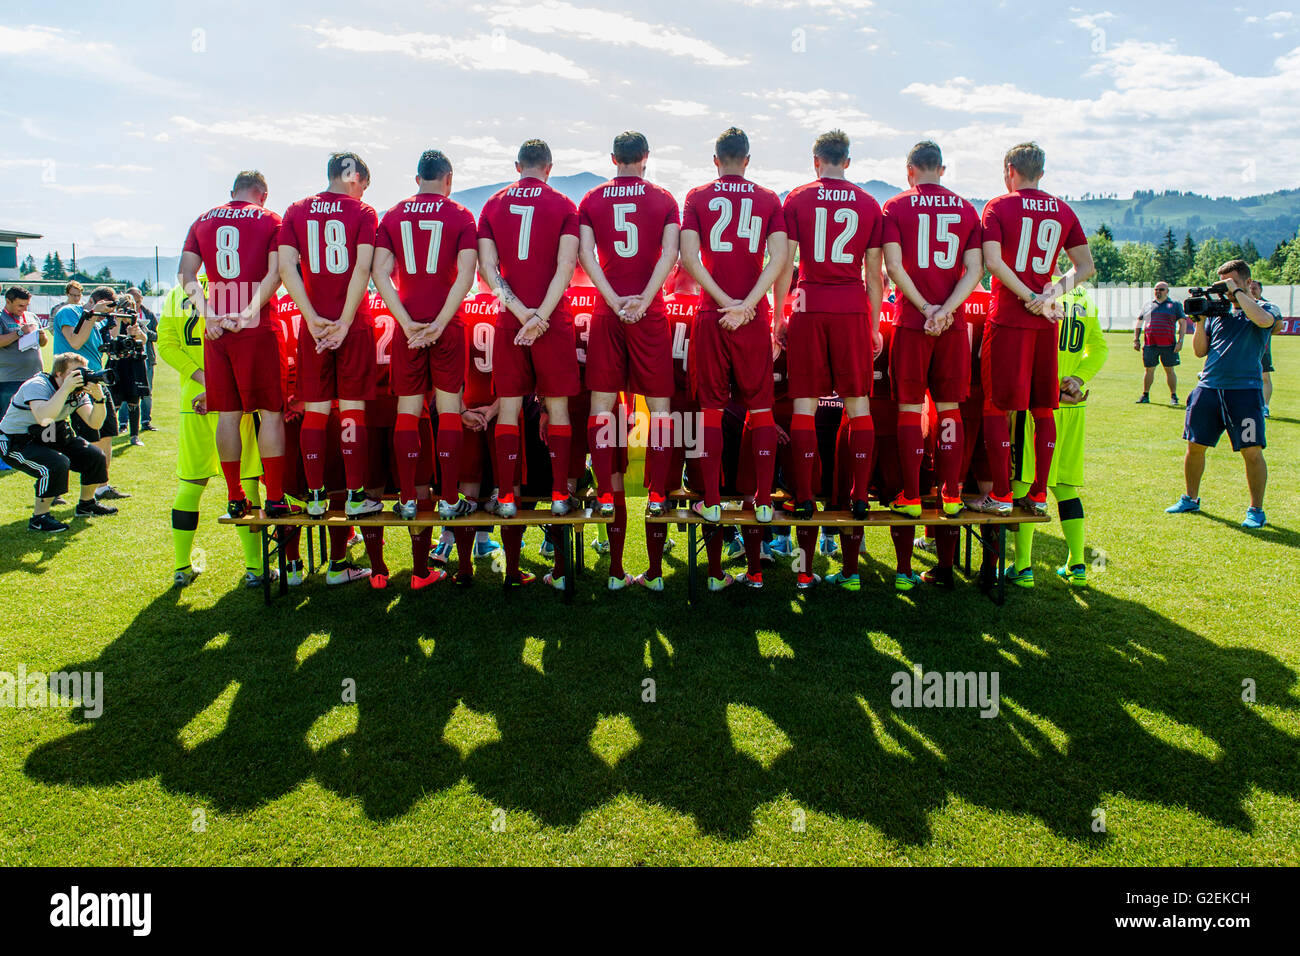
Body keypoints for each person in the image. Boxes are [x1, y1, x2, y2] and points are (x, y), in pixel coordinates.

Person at [773, 129, 884, 590]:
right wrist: (873, 324)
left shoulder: (797, 198)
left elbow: (784, 262)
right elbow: (874, 274)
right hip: (851, 305)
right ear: (848, 161)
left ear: (816, 160)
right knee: (858, 404)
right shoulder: (868, 203)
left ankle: (802, 496)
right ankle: (859, 495)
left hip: (809, 300)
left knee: (804, 404)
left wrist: (782, 312)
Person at [477, 138, 584, 588]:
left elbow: (488, 268)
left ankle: (505, 495)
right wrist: (540, 316)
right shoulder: (562, 203)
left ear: (516, 165)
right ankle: (561, 495)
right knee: (556, 409)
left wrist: (520, 313)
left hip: (511, 319)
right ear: (550, 167)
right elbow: (565, 265)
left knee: (508, 407)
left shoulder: (493, 204)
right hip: (551, 318)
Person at [578, 130, 681, 590]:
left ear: (612, 158)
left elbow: (585, 253)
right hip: (649, 311)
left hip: (608, 309)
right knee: (660, 408)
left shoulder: (593, 197)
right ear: (645, 158)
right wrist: (645, 297)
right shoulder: (662, 198)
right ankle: (657, 493)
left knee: (602, 405)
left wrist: (612, 296)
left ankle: (604, 494)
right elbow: (673, 253)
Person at [678, 126, 787, 545]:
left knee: (710, 409)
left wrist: (725, 302)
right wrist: (747, 304)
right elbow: (778, 257)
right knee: (760, 408)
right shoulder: (767, 198)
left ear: (715, 159)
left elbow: (689, 257)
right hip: (752, 317)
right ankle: (762, 499)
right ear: (748, 159)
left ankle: (711, 498)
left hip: (713, 313)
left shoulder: (697, 196)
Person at [973, 142, 1094, 517]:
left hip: (1009, 317)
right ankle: (1039, 495)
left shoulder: (998, 206)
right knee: (1044, 407)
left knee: (995, 406)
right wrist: (1050, 293)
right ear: (1041, 171)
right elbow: (1085, 267)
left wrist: (1028, 295)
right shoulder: (1062, 209)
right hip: (1043, 321)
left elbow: (992, 262)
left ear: (1010, 169)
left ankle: (1002, 496)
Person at [373, 148, 479, 529]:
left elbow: (380, 272)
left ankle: (406, 499)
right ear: (448, 179)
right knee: (449, 410)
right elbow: (466, 275)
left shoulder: (394, 214)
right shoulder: (462, 215)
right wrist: (439, 322)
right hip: (446, 324)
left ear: (417, 178)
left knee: (408, 411)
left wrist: (406, 321)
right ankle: (449, 500)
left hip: (408, 326)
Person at [181, 170, 295, 519]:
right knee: (271, 413)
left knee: (228, 417)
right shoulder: (271, 219)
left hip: (218, 331)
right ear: (263, 194)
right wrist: (246, 312)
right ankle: (274, 497)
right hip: (257, 324)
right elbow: (276, 273)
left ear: (232, 192)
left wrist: (209, 315)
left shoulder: (203, 219)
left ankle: (235, 496)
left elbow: (186, 275)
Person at [880, 140, 984, 520]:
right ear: (942, 169)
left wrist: (926, 309)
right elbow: (975, 271)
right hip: (951, 325)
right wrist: (946, 311)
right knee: (949, 408)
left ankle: (910, 495)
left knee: (909, 408)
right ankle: (952, 494)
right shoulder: (966, 209)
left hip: (912, 320)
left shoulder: (895, 206)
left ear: (909, 170)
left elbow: (894, 267)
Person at [278, 151, 382, 519]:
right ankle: (355, 495)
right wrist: (343, 321)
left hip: (314, 326)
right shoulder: (363, 213)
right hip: (352, 325)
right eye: (363, 187)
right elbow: (363, 269)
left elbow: (286, 268)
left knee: (316, 413)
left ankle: (316, 496)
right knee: (353, 411)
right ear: (355, 178)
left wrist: (313, 318)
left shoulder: (295, 210)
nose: (363, 195)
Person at [156, 276, 270, 588]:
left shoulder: (179, 292)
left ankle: (181, 565)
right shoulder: (238, 287)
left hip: (192, 400)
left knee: (191, 484)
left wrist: (204, 379)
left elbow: (165, 345)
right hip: (233, 398)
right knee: (247, 482)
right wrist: (219, 384)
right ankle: (255, 569)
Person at [1007, 281, 1109, 588]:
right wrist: (1078, 377)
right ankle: (1077, 563)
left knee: (1024, 482)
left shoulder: (1035, 292)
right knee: (1066, 488)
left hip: (1039, 404)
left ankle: (1023, 566)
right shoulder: (1085, 298)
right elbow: (1099, 348)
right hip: (1072, 406)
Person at [1167, 259, 1280, 529]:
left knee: (1251, 451)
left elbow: (1265, 322)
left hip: (1245, 392)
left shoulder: (1265, 308)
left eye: (1231, 283)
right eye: (1223, 285)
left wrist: (1239, 293)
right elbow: (1199, 351)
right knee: (1195, 446)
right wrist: (1202, 321)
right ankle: (1190, 498)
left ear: (1248, 283)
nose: (1226, 291)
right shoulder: (1219, 313)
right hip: (1209, 388)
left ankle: (1256, 510)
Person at [0, 352, 117, 532]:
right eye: (74, 373)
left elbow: (94, 423)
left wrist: (99, 400)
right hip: (15, 440)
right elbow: (44, 417)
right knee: (55, 464)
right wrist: (65, 389)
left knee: (94, 456)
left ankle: (87, 504)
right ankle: (39, 518)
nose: (80, 377)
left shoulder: (77, 392)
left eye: (83, 372)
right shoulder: (37, 385)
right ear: (59, 374)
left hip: (51, 432)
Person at [51, 285, 129, 501]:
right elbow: (75, 341)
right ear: (95, 301)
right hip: (73, 381)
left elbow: (109, 342)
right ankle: (56, 490)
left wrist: (117, 318)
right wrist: (93, 315)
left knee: (106, 434)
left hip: (96, 380)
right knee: (64, 436)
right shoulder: (69, 312)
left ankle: (102, 487)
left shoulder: (98, 322)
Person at [1133, 281, 1184, 405]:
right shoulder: (1148, 305)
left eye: (1161, 289)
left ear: (1167, 291)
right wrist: (1136, 339)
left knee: (1169, 370)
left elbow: (1183, 323)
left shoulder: (1175, 305)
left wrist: (1180, 341)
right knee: (1149, 370)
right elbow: (1139, 322)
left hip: (1168, 344)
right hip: (1150, 344)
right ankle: (1145, 395)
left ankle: (1173, 396)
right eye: (1156, 289)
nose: (1158, 292)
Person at [0, 286, 48, 414]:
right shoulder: (1, 317)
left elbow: (43, 343)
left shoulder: (32, 316)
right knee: (7, 419)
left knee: (33, 418)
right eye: (20, 305)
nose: (24, 309)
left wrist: (42, 337)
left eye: (27, 305)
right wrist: (20, 332)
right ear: (8, 301)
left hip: (35, 377)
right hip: (10, 380)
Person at [120, 287, 159, 433]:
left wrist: (145, 332)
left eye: (137, 301)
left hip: (146, 359)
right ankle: (123, 424)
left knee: (147, 392)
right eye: (132, 301)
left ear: (141, 299)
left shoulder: (148, 314)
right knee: (126, 393)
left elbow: (157, 335)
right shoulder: (120, 317)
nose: (135, 305)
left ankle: (146, 422)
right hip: (126, 359)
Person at [1251, 280, 1274, 416]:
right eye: (1250, 288)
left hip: (1262, 349)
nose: (1252, 290)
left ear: (1260, 290)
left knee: (1265, 377)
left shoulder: (1267, 306)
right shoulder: (1243, 305)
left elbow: (1278, 325)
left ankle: (1265, 406)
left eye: (1255, 288)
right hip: (1245, 349)